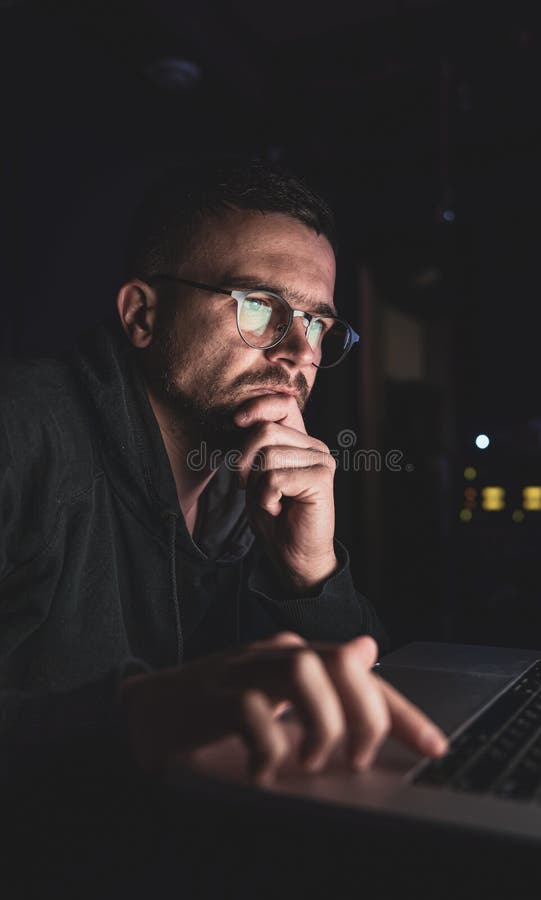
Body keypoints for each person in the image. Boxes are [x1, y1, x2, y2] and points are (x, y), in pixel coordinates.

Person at [0, 158, 447, 799]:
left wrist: (311, 572)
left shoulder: (250, 487)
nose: (301, 351)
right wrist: (142, 715)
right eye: (260, 306)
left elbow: (367, 703)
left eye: (316, 322)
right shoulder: (20, 433)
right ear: (142, 315)